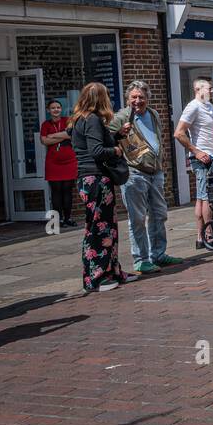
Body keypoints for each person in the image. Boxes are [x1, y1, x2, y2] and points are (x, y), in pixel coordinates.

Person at [69, 82, 135, 293]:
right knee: (100, 229)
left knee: (104, 227)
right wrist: (116, 150)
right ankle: (98, 278)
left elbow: (91, 146)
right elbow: (97, 151)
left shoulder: (80, 119)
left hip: (88, 179)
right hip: (96, 179)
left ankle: (112, 271)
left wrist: (116, 136)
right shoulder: (93, 119)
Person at [110, 81, 181, 275]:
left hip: (155, 171)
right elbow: (108, 139)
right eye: (133, 97)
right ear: (127, 99)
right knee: (138, 218)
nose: (137, 101)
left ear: (147, 98)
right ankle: (141, 260)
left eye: (141, 97)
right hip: (134, 172)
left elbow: (157, 138)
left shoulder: (154, 114)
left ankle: (158, 254)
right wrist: (118, 134)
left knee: (159, 214)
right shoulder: (120, 117)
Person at [174, 78, 213, 252]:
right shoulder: (193, 106)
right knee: (207, 196)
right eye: (209, 88)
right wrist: (196, 152)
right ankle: (210, 236)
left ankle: (201, 238)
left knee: (202, 197)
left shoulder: (209, 107)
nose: (212, 91)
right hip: (202, 158)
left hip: (211, 156)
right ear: (198, 89)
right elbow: (178, 133)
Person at [40, 99, 76, 229]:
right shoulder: (45, 124)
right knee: (56, 192)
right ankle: (58, 220)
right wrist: (63, 135)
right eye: (53, 108)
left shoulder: (68, 120)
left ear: (61, 109)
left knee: (67, 190)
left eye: (58, 107)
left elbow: (71, 135)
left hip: (69, 161)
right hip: (53, 163)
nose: (56, 110)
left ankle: (68, 218)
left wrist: (53, 136)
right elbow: (44, 141)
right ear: (48, 110)